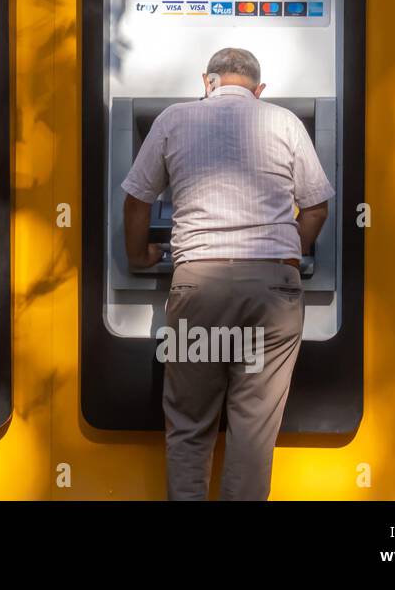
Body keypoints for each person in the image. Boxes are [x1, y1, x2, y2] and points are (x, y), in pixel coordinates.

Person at [120, 47, 332, 501]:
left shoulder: (174, 120)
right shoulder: (285, 122)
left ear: (207, 81)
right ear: (260, 90)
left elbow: (137, 200)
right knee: (253, 432)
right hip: (272, 291)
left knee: (190, 424)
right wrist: (293, 249)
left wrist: (139, 257)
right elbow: (316, 207)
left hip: (200, 285)